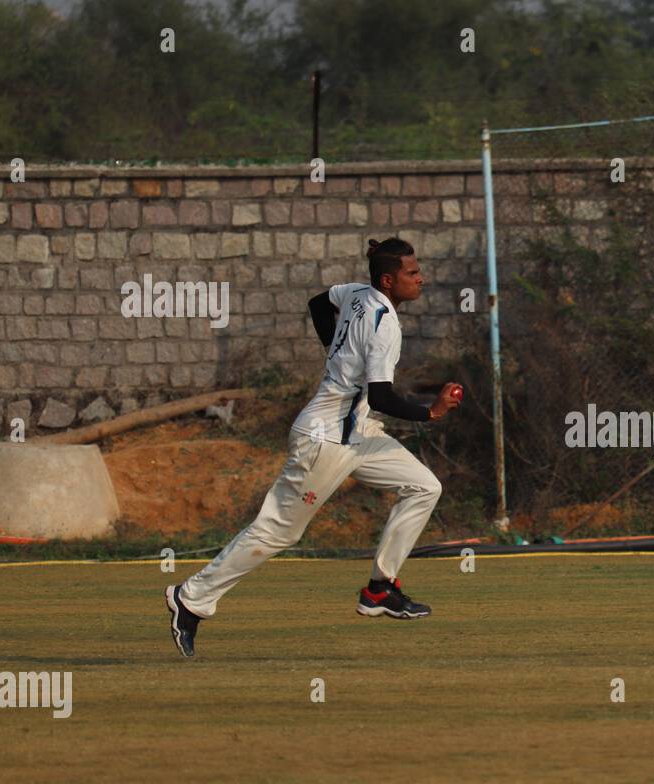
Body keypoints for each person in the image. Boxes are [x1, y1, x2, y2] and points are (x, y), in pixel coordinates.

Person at [165, 238, 461, 658]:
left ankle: (380, 590)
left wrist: (336, 356)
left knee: (424, 487)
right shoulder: (383, 323)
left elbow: (319, 303)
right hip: (324, 439)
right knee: (278, 530)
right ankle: (190, 599)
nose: (421, 279)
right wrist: (431, 413)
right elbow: (381, 397)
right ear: (389, 279)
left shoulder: (356, 292)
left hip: (357, 432)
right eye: (413, 273)